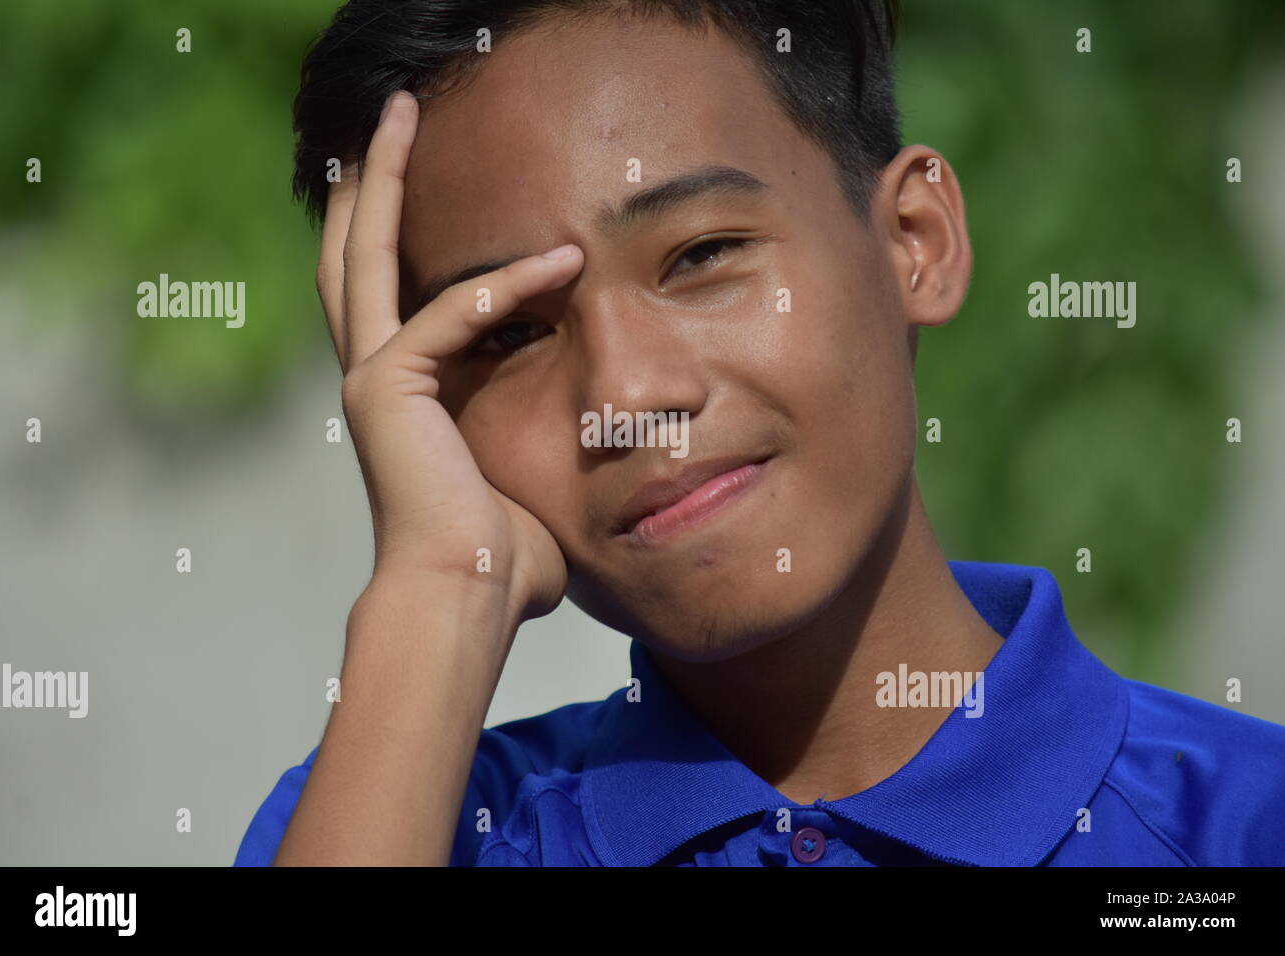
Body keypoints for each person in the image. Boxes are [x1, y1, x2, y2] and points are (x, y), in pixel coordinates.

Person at [234, 0, 1285, 866]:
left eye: (699, 256)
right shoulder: (407, 824)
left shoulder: (1238, 825)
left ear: (913, 241)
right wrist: (439, 588)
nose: (627, 390)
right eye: (507, 330)